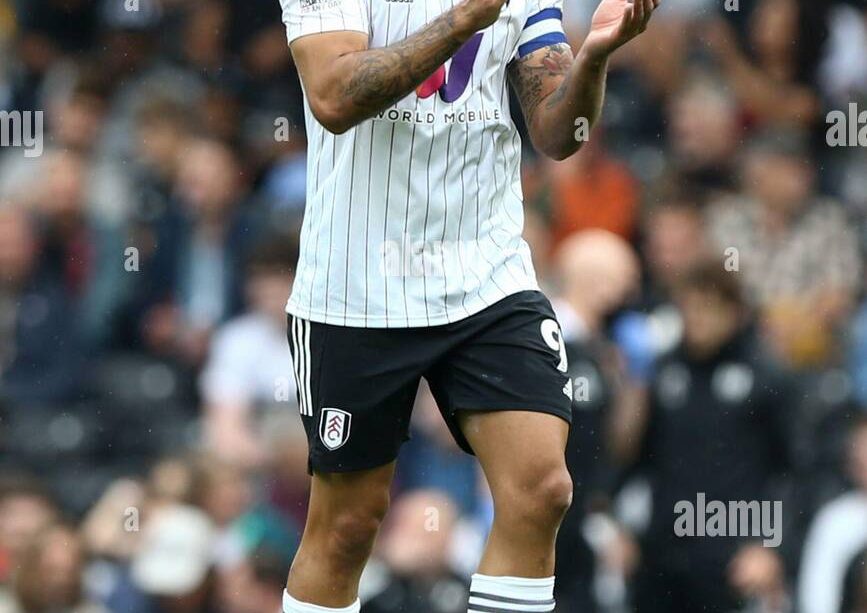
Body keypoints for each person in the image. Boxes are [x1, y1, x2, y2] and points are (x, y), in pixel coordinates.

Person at [277, 0, 662, 611]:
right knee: (348, 527)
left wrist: (593, 57)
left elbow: (559, 135)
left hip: (487, 273)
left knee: (542, 491)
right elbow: (333, 98)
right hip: (358, 283)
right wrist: (461, 20)